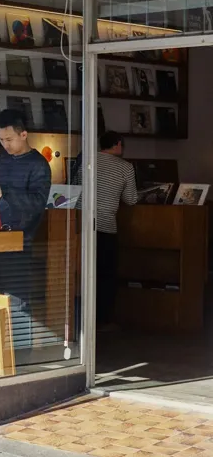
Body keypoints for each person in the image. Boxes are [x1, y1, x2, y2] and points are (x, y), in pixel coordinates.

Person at [0, 109, 52, 346]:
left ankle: (21, 356)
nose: (5, 145)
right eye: (1, 140)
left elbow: (37, 203)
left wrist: (6, 192)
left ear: (24, 134)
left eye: (9, 139)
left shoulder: (39, 165)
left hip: (21, 240)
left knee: (17, 300)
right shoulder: (0, 160)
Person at [93, 131, 137, 329]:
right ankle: (103, 320)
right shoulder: (125, 167)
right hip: (106, 226)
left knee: (84, 274)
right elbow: (131, 199)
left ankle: (83, 318)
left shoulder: (87, 160)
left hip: (82, 226)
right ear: (118, 144)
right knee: (107, 275)